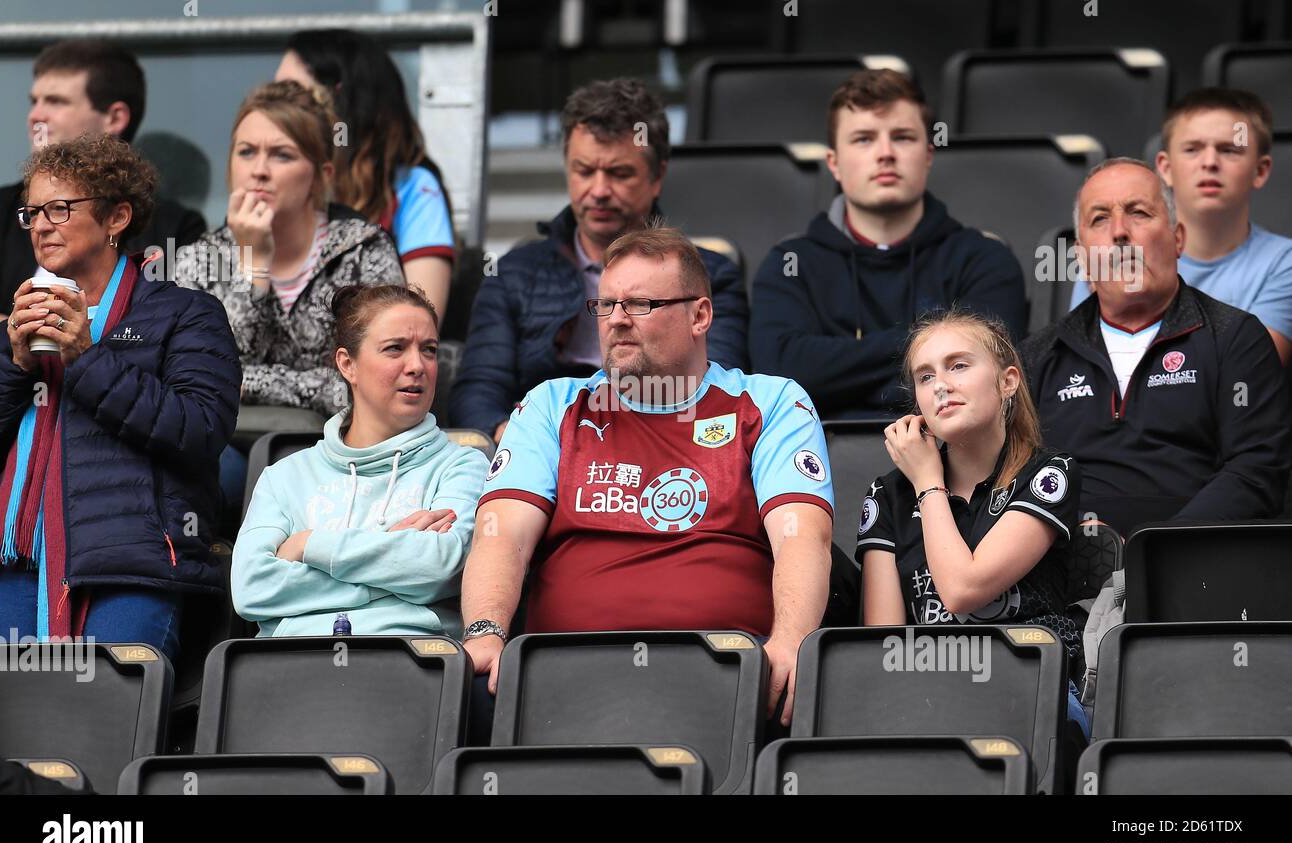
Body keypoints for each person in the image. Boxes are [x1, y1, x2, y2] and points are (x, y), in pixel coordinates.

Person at [460, 226, 832, 728]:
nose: (615, 321)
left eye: (638, 305)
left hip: (723, 673)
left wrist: (789, 644)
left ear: (699, 315)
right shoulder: (553, 404)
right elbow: (502, 535)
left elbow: (802, 538)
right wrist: (486, 632)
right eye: (605, 304)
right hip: (560, 673)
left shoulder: (770, 403)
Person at [0, 135, 241, 660]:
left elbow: (198, 431)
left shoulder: (186, 315)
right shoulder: (15, 329)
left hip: (134, 560)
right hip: (17, 561)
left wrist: (86, 358)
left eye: (59, 208)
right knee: (11, 724)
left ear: (117, 217)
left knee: (102, 715)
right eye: (32, 212)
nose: (39, 225)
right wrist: (13, 366)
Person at [450, 78, 749, 442]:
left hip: (669, 447)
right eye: (584, 171)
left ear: (658, 176)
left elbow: (719, 387)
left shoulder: (710, 276)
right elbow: (477, 393)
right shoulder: (514, 273)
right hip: (547, 452)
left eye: (619, 173)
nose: (599, 190)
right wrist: (523, 443)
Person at [1023, 158, 1289, 537]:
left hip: (1194, 568)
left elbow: (1256, 472)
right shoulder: (1037, 356)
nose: (1119, 233)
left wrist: (1157, 552)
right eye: (1099, 218)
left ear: (1178, 238)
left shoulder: (1236, 337)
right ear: (1081, 258)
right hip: (1064, 565)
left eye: (1139, 213)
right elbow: (1010, 481)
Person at [175, 81, 403, 521]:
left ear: (323, 176)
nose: (259, 170)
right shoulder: (197, 258)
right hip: (227, 452)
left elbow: (377, 382)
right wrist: (253, 267)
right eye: (246, 152)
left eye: (281, 155)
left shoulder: (362, 251)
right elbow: (201, 384)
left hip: (340, 451)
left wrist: (253, 384)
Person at [856, 309, 1088, 735]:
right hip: (923, 692)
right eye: (925, 377)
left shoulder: (1047, 474)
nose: (941, 384)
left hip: (1028, 682)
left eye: (959, 365)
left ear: (1008, 382)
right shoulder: (888, 495)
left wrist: (928, 482)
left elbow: (963, 591)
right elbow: (883, 647)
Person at [749, 69, 1028, 419]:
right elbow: (780, 375)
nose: (885, 153)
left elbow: (987, 376)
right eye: (863, 139)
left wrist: (835, 376)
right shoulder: (789, 265)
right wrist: (931, 356)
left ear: (928, 155)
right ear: (833, 164)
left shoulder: (985, 260)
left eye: (903, 137)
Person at [232, 284, 487, 637]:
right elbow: (252, 589)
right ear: (347, 364)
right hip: (288, 668)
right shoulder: (283, 475)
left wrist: (308, 545)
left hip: (410, 664)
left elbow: (441, 569)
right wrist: (394, 569)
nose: (417, 365)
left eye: (428, 350)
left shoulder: (463, 465)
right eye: (395, 348)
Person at [1068, 89, 1292, 365]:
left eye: (1229, 150)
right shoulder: (1115, 249)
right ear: (1165, 167)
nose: (1210, 162)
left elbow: (1250, 368)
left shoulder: (1284, 263)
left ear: (1260, 171)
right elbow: (1081, 364)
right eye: (1192, 149)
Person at [0, 39, 206, 323]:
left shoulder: (175, 229)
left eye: (56, 101)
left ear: (114, 118)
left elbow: (170, 329)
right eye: (34, 101)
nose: (35, 116)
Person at [276, 29, 455, 323]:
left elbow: (421, 320)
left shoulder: (412, 187)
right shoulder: (282, 184)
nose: (274, 108)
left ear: (339, 98)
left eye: (291, 92)